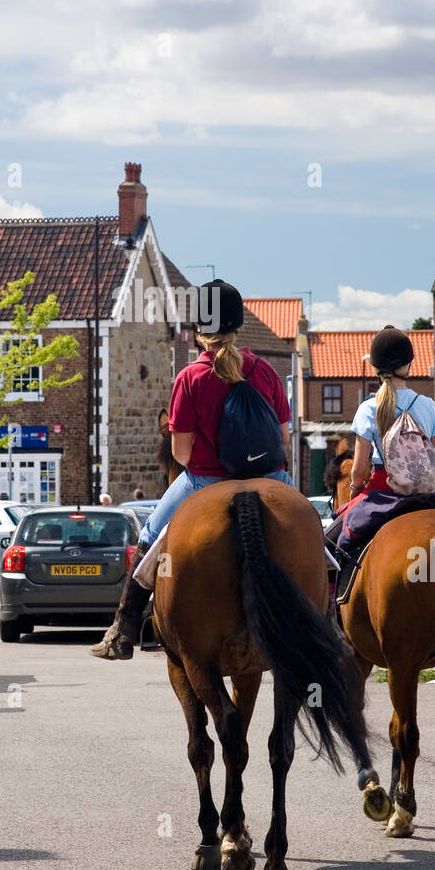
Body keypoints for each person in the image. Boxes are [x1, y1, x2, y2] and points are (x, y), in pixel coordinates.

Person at [91, 279, 294, 660]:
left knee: (151, 533)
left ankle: (123, 629)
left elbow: (181, 453)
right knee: (314, 532)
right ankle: (333, 618)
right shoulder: (264, 371)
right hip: (269, 477)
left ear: (198, 330)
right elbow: (282, 437)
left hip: (206, 480)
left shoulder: (190, 377)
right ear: (236, 326)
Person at [333, 326, 435, 589]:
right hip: (428, 492)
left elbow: (359, 472)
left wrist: (355, 488)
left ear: (375, 367)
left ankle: (339, 601)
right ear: (409, 364)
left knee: (341, 543)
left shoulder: (368, 409)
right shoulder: (427, 405)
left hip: (382, 490)